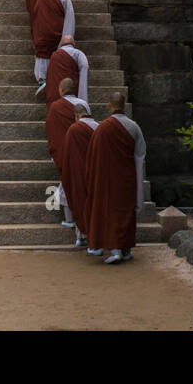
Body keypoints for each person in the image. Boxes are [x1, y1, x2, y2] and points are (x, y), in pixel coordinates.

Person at [85, 92, 146, 264]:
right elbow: (140, 155)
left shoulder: (102, 128)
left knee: (110, 212)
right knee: (125, 212)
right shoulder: (134, 127)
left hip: (107, 179)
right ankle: (125, 250)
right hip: (127, 177)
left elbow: (93, 156)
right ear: (124, 105)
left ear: (109, 105)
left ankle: (115, 249)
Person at [46, 77, 90, 228]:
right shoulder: (82, 104)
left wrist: (54, 152)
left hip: (64, 152)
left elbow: (52, 131)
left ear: (61, 90)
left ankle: (71, 220)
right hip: (82, 151)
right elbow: (88, 126)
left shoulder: (55, 107)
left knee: (67, 185)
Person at [60, 103, 99, 247]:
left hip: (79, 172)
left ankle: (81, 236)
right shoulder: (99, 127)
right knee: (95, 204)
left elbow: (68, 154)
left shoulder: (73, 129)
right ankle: (96, 237)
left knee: (79, 201)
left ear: (76, 116)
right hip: (96, 172)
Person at [31, 0, 75, 89]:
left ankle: (41, 79)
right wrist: (68, 36)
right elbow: (70, 19)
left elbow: (36, 15)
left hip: (42, 34)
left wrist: (36, 33)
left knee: (42, 55)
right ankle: (55, 79)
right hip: (58, 34)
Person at [45, 34, 89, 107]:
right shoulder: (78, 53)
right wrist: (83, 99)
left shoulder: (54, 55)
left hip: (56, 94)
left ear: (61, 44)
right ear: (74, 44)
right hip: (72, 94)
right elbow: (85, 69)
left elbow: (50, 76)